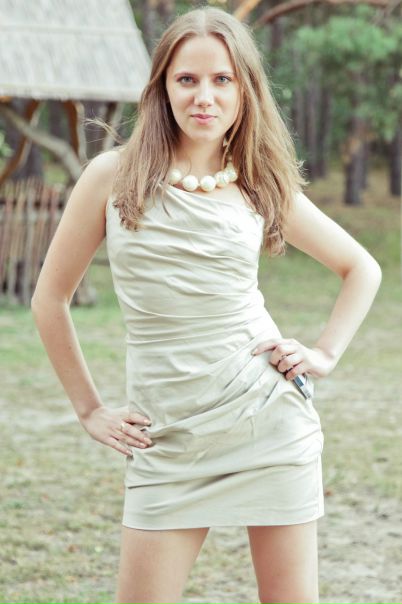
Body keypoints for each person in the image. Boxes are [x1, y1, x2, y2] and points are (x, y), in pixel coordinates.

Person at [31, 6, 382, 604]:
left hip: (269, 422)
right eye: (187, 79)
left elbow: (361, 268)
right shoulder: (112, 176)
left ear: (245, 90)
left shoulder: (258, 181)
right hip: (167, 436)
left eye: (222, 79)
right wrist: (89, 410)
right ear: (162, 88)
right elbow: (50, 299)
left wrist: (324, 353)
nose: (204, 96)